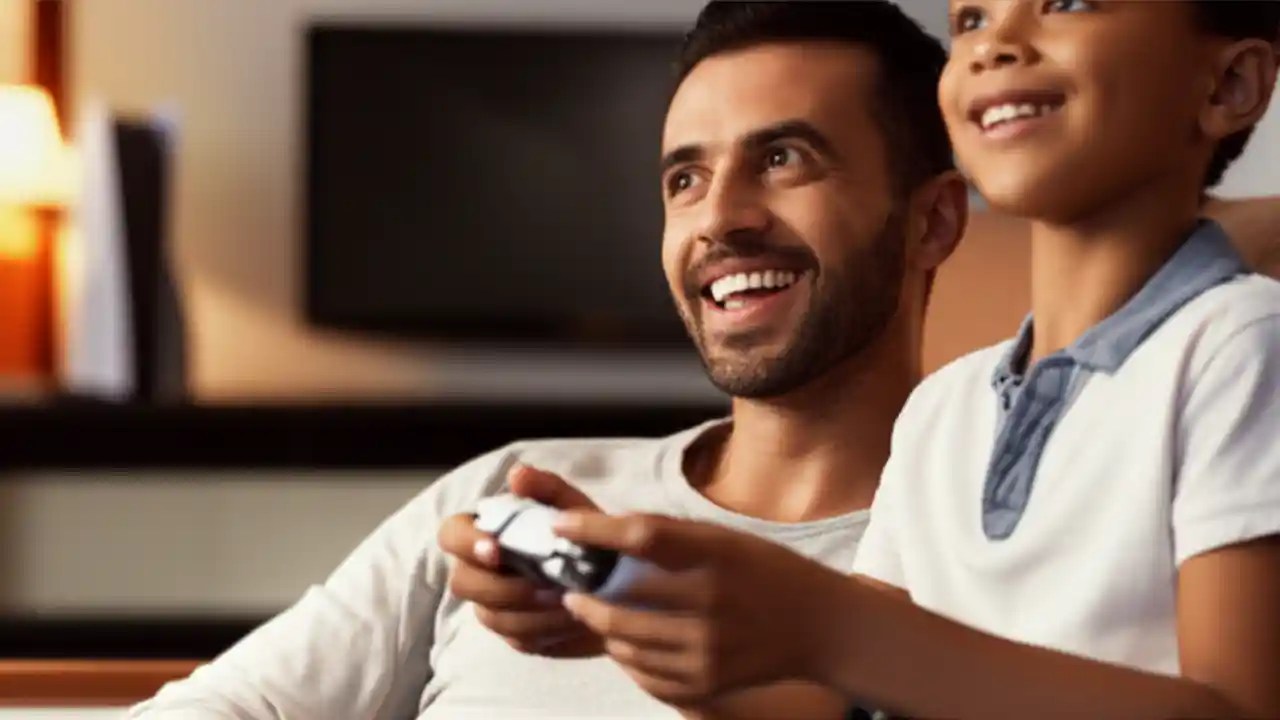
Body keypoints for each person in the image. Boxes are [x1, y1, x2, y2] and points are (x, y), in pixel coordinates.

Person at [128, 2, 966, 718]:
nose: (719, 218)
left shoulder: (988, 565)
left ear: (931, 222)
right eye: (686, 180)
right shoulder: (508, 495)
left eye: (783, 159)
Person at [543, 2, 1280, 718]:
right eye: (971, 20)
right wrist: (627, 618)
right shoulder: (944, 407)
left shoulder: (1240, 345)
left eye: (1069, 3)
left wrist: (831, 627)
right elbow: (841, 703)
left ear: (1230, 86)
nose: (997, 45)